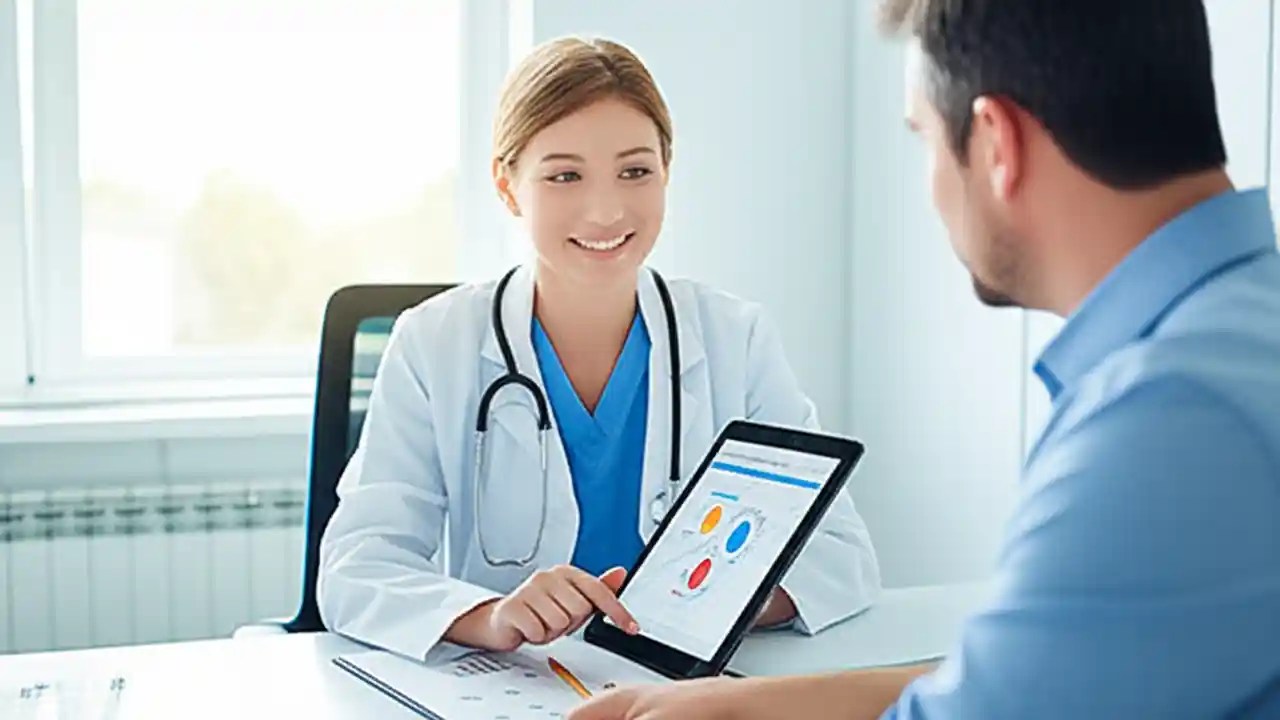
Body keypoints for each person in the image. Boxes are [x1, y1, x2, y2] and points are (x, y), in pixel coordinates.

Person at [569, 1, 1280, 718]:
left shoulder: (1169, 421)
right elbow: (1014, 682)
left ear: (998, 144)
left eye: (926, 139)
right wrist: (737, 709)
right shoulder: (1235, 339)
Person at [316, 36, 881, 661]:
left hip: (678, 689)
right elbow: (357, 566)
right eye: (564, 175)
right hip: (508, 686)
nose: (606, 209)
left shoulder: (734, 337)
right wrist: (490, 615)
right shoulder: (433, 342)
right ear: (507, 187)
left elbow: (840, 555)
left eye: (635, 171)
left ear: (667, 169)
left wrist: (706, 606)